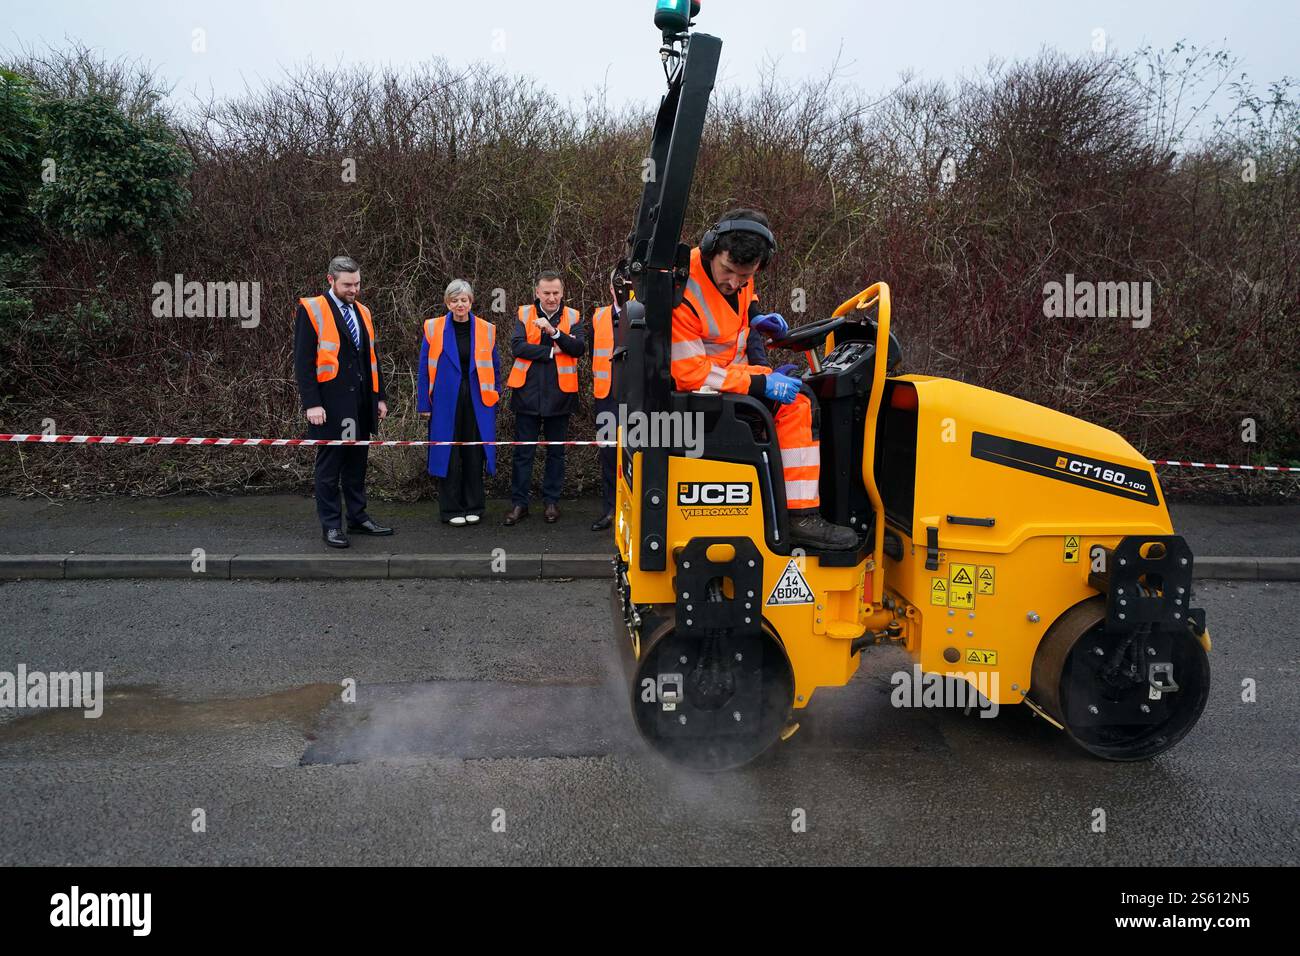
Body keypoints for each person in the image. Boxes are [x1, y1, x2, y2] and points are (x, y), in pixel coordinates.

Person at [670, 208, 857, 550]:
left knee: (797, 389)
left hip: (730, 374)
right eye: (728, 271)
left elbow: (745, 299)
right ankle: (800, 516)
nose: (734, 282)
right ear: (712, 249)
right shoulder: (682, 292)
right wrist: (762, 383)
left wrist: (756, 317)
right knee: (800, 405)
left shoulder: (741, 269)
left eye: (745, 276)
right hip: (705, 391)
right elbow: (689, 372)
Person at [293, 255, 393, 548]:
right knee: (329, 468)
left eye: (358, 283)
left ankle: (358, 519)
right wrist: (312, 403)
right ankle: (332, 526)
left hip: (361, 403)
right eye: (348, 284)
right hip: (329, 406)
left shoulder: (363, 311)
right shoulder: (312, 310)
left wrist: (379, 396)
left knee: (356, 464)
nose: (354, 290)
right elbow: (304, 361)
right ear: (330, 281)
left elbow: (371, 358)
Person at [504, 270, 586, 525]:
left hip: (560, 396)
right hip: (526, 396)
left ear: (562, 293)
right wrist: (552, 353)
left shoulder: (573, 316)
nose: (551, 298)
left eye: (556, 293)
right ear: (537, 293)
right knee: (523, 454)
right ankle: (520, 504)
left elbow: (579, 348)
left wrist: (553, 332)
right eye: (546, 293)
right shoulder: (523, 314)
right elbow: (517, 347)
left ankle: (551, 503)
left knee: (556, 454)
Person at [417, 279, 501, 525]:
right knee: (448, 452)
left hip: (478, 399)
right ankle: (451, 509)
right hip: (445, 400)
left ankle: (475, 505)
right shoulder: (433, 328)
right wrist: (424, 404)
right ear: (447, 303)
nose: (459, 304)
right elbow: (424, 369)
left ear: (471, 301)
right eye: (454, 300)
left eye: (464, 300)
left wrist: (494, 394)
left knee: (474, 452)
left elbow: (495, 366)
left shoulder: (486, 329)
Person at [584, 269, 623, 531]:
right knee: (609, 454)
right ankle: (611, 508)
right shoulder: (598, 317)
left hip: (638, 397)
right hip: (606, 396)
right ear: (610, 288)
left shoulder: (648, 314)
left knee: (638, 455)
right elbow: (591, 351)